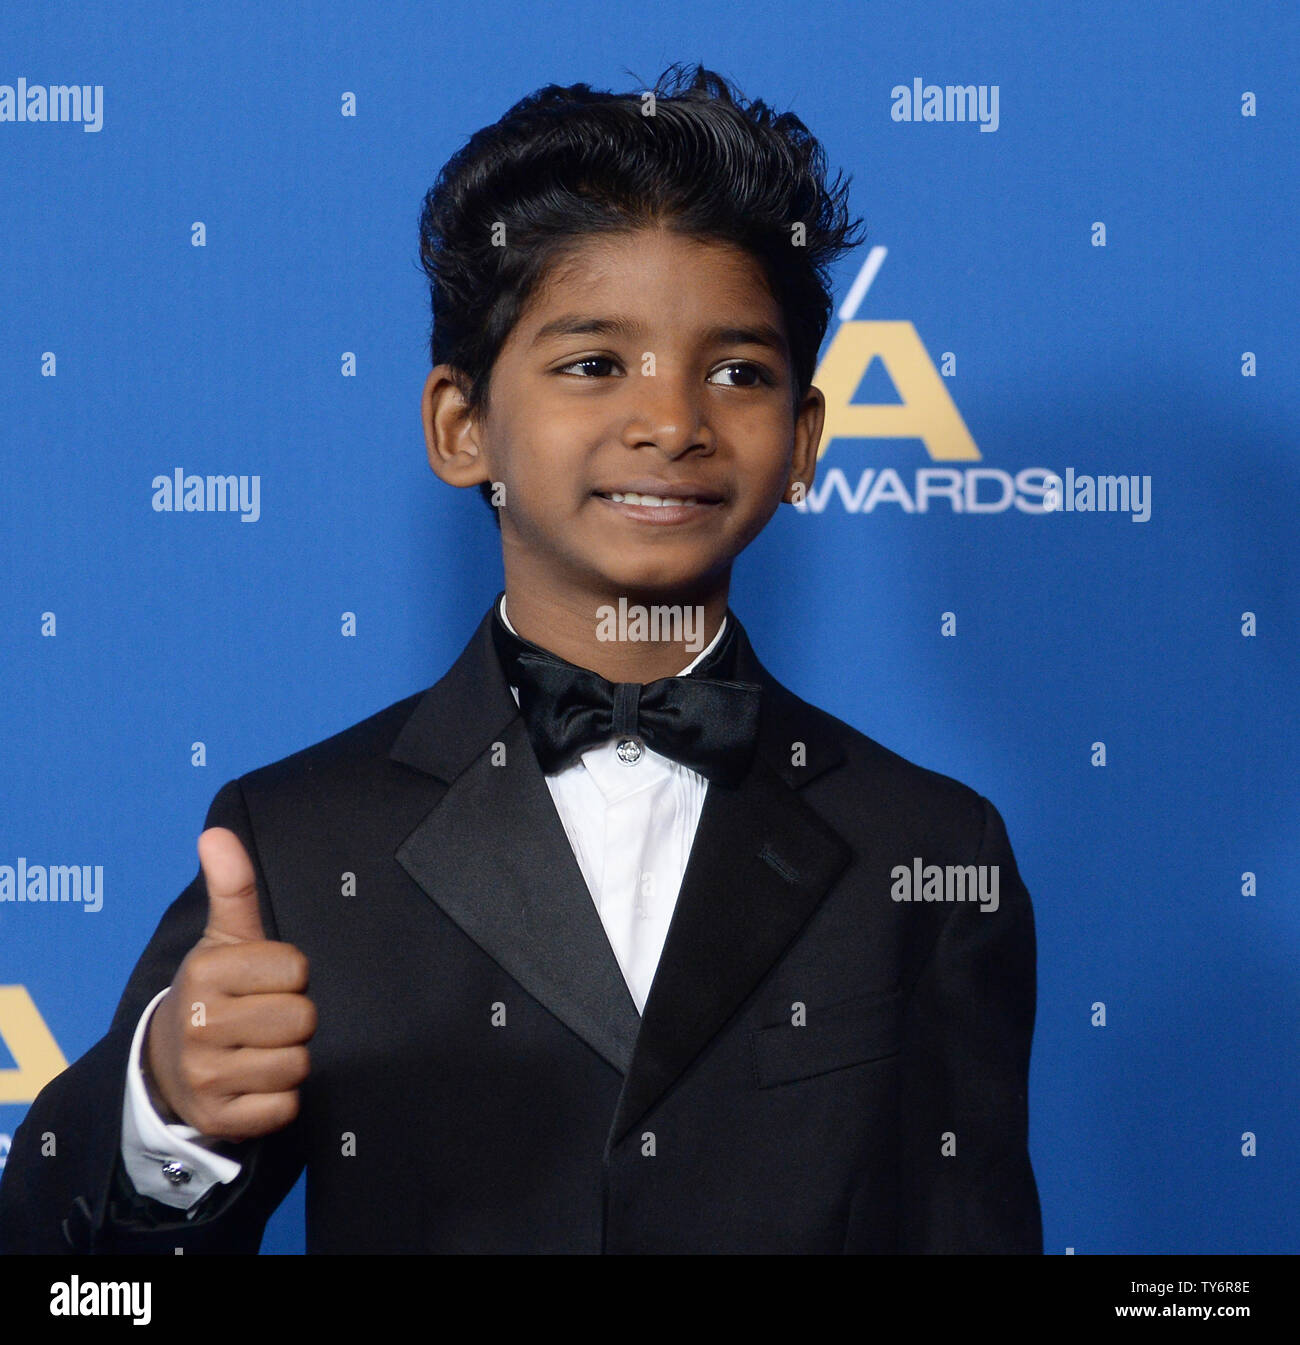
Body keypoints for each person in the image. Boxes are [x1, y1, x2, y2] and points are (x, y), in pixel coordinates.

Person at [0, 63, 1042, 1254]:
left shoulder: (930, 848)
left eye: (738, 371)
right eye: (595, 363)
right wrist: (164, 1112)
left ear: (805, 440)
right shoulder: (299, 840)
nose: (671, 420)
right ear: (461, 426)